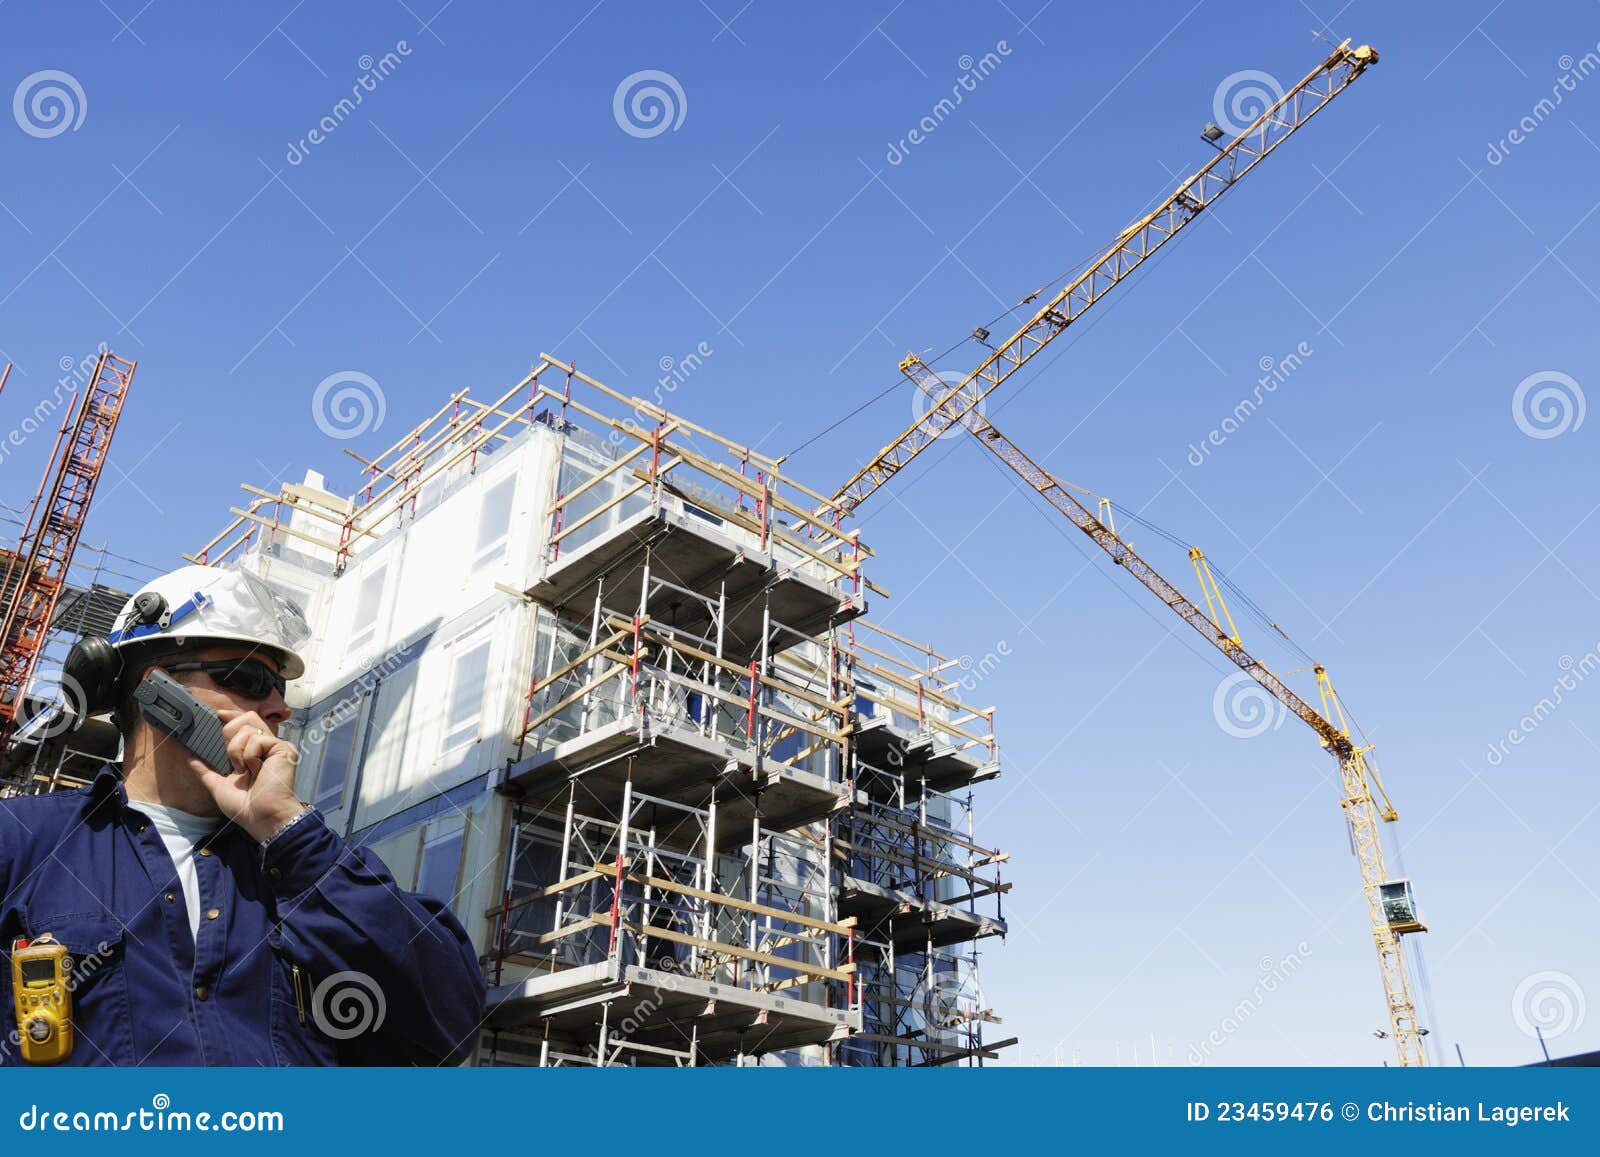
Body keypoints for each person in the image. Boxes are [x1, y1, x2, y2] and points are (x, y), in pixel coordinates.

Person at [0, 565, 486, 1066]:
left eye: (281, 688)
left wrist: (288, 833)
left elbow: (447, 1030)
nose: (279, 707)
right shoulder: (22, 843)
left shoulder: (310, 871)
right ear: (159, 690)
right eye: (251, 678)